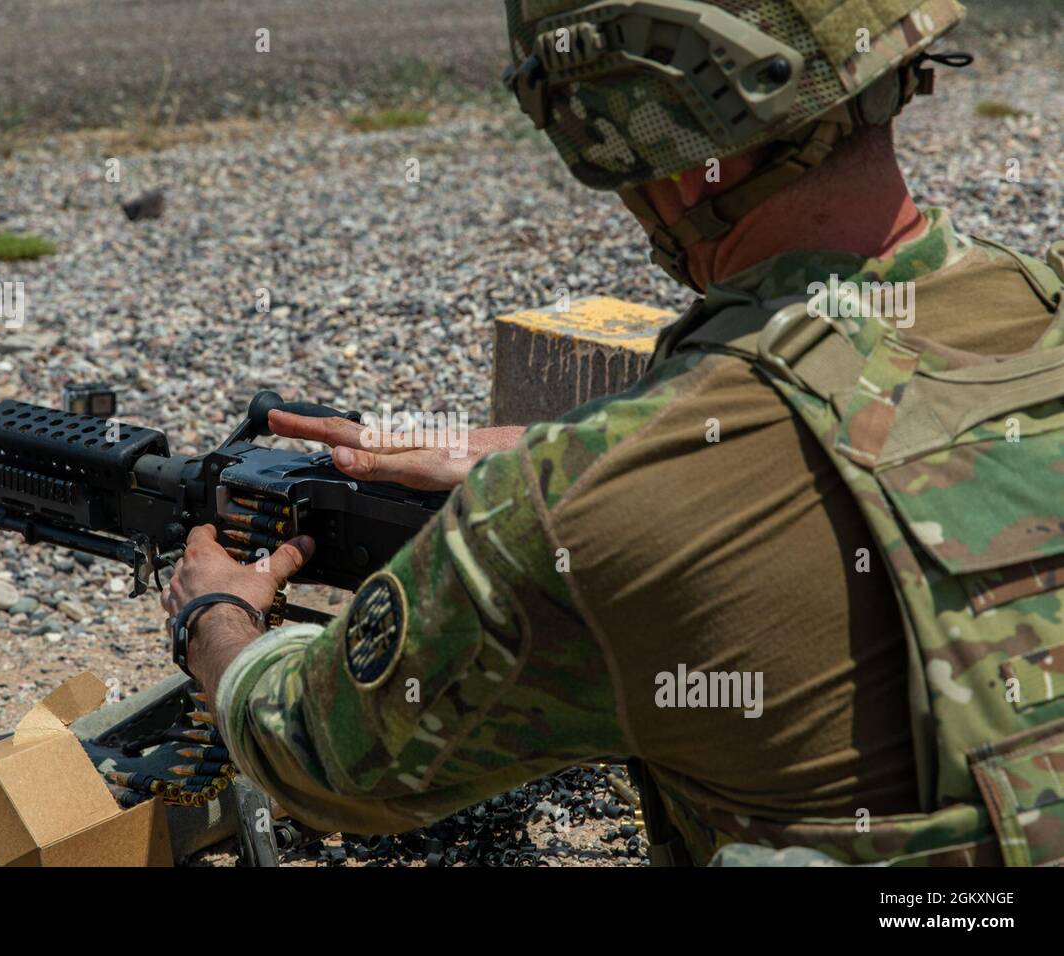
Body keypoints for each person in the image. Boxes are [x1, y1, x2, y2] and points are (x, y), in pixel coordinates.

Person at [163, 0, 1064, 866]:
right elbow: (864, 411)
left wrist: (218, 620)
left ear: (639, 138)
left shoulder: (586, 508)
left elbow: (321, 759)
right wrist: (561, 448)